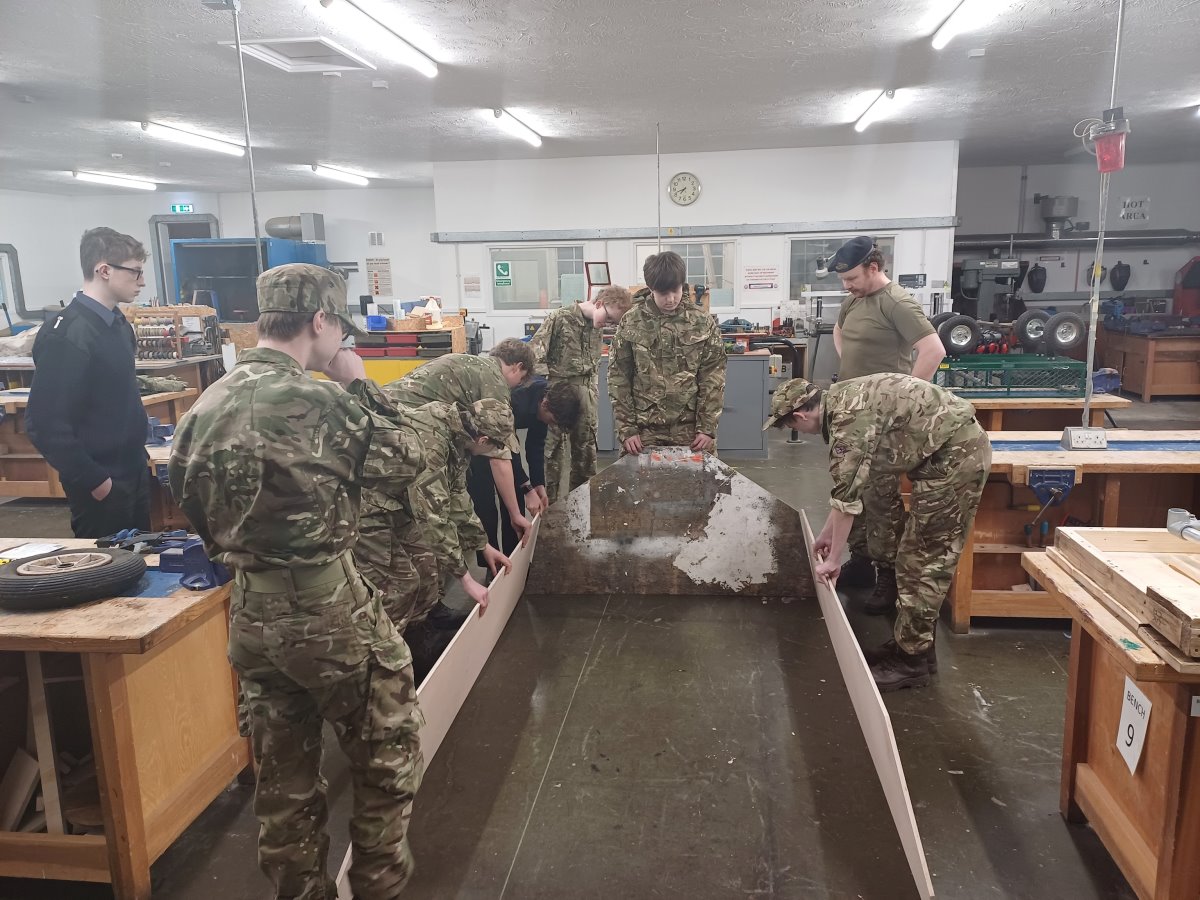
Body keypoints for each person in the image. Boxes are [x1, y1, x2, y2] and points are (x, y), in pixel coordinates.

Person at [169, 264, 425, 899]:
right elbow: (408, 461)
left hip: (251, 616)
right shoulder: (327, 401)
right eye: (339, 328)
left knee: (282, 781)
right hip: (330, 611)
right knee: (388, 752)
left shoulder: (201, 408)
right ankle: (377, 881)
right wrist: (362, 385)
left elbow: (189, 504)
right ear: (320, 321)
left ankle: (301, 891)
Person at [763, 376, 990, 692]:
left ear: (800, 416)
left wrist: (834, 560)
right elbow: (848, 489)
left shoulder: (847, 424)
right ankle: (915, 650)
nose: (797, 432)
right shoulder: (842, 399)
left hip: (954, 460)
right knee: (916, 560)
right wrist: (828, 535)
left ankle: (911, 663)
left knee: (921, 564)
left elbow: (846, 499)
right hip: (944, 452)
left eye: (791, 426)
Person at [827, 235, 946, 614]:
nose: (847, 287)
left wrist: (904, 398)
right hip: (854, 415)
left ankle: (888, 578)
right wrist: (851, 367)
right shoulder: (854, 301)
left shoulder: (897, 302)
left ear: (874, 267)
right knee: (853, 490)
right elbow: (839, 330)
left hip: (884, 420)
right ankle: (861, 564)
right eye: (843, 281)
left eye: (852, 278)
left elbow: (933, 350)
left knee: (881, 499)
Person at [26, 227, 152, 538]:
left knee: (143, 569)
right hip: (101, 482)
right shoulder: (67, 334)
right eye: (135, 272)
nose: (142, 282)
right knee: (107, 576)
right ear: (104, 270)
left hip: (133, 472)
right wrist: (96, 481)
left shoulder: (118, 325)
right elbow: (44, 424)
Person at [385, 340, 535, 545]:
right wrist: (516, 514)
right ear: (517, 367)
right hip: (398, 427)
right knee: (423, 510)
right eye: (521, 379)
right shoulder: (495, 382)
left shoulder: (472, 363)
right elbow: (499, 460)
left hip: (384, 408)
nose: (517, 386)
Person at [608, 252, 726, 454]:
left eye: (675, 291)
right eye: (663, 293)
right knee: (638, 484)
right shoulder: (631, 322)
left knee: (699, 484)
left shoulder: (702, 322)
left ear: (682, 285)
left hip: (691, 431)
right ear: (651, 288)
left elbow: (713, 377)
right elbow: (618, 377)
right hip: (643, 432)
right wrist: (627, 429)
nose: (671, 299)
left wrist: (707, 428)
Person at [530, 286, 634, 501]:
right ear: (598, 304)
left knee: (585, 454)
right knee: (552, 454)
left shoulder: (596, 325)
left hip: (586, 392)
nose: (608, 325)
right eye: (608, 319)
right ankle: (548, 510)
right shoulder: (560, 317)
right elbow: (535, 355)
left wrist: (592, 391)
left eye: (613, 323)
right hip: (557, 393)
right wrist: (545, 395)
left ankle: (581, 507)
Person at [467, 378, 583, 558]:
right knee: (485, 504)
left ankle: (512, 557)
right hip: (480, 442)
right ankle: (491, 562)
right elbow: (508, 452)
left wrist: (538, 485)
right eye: (552, 420)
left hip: (502, 442)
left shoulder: (545, 401)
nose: (552, 425)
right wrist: (527, 488)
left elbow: (535, 446)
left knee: (515, 502)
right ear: (545, 404)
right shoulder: (517, 401)